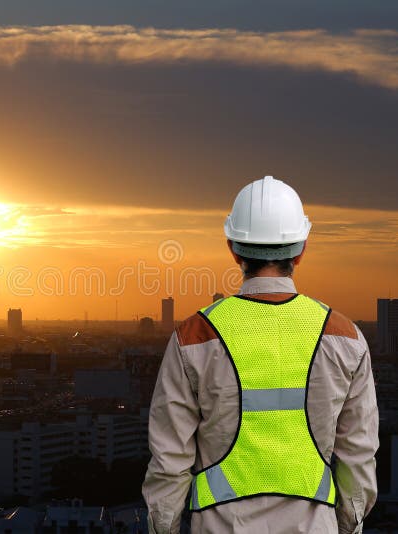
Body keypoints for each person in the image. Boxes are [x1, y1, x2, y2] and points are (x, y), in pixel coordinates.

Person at [143, 176, 378, 533]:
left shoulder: (194, 337)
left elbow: (169, 463)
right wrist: (346, 526)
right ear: (301, 250)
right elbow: (357, 459)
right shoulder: (344, 337)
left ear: (233, 250)